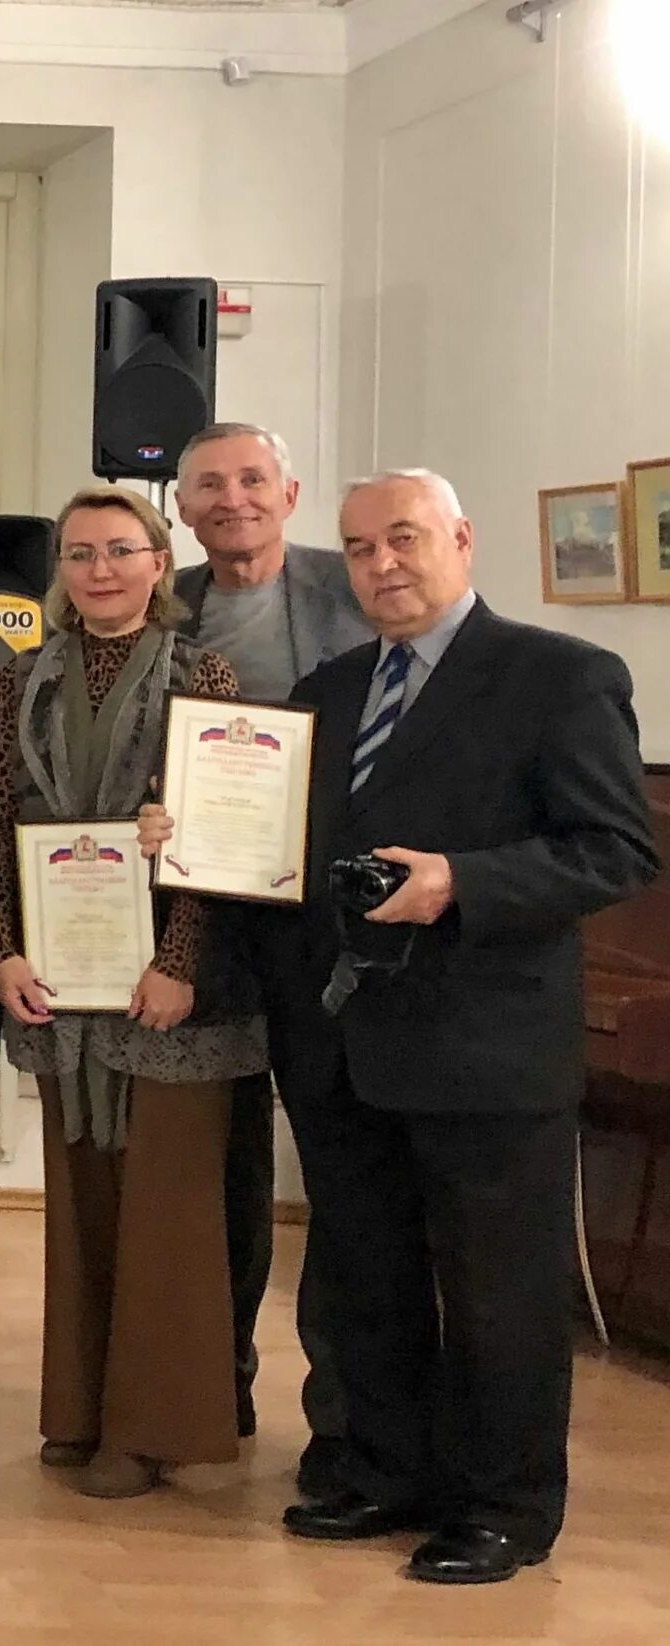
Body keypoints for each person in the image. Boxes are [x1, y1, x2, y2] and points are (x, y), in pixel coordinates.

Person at [256, 472, 650, 1582]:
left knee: (498, 1297)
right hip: (348, 1043)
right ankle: (385, 1472)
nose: (381, 563)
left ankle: (504, 1507)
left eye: (404, 538)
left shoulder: (559, 676)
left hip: (486, 1045)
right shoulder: (328, 689)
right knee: (365, 1277)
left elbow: (617, 849)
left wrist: (460, 881)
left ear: (462, 540)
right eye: (359, 546)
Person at [0, 483, 263, 1501]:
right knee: (82, 1198)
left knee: (168, 1213)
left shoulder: (204, 671)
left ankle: (154, 1431)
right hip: (64, 976)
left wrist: (180, 959)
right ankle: (81, 1408)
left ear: (158, 560)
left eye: (120, 550)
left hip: (168, 988)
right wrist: (4, 949)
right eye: (80, 553)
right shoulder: (22, 679)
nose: (100, 569)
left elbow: (221, 827)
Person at [166, 420, 372, 1467]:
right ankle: (216, 1386)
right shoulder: (170, 608)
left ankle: (342, 1414)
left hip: (335, 926)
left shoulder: (362, 583)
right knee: (223, 1171)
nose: (232, 498)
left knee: (337, 1175)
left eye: (253, 478)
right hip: (212, 926)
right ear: (183, 508)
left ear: (289, 490)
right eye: (209, 484)